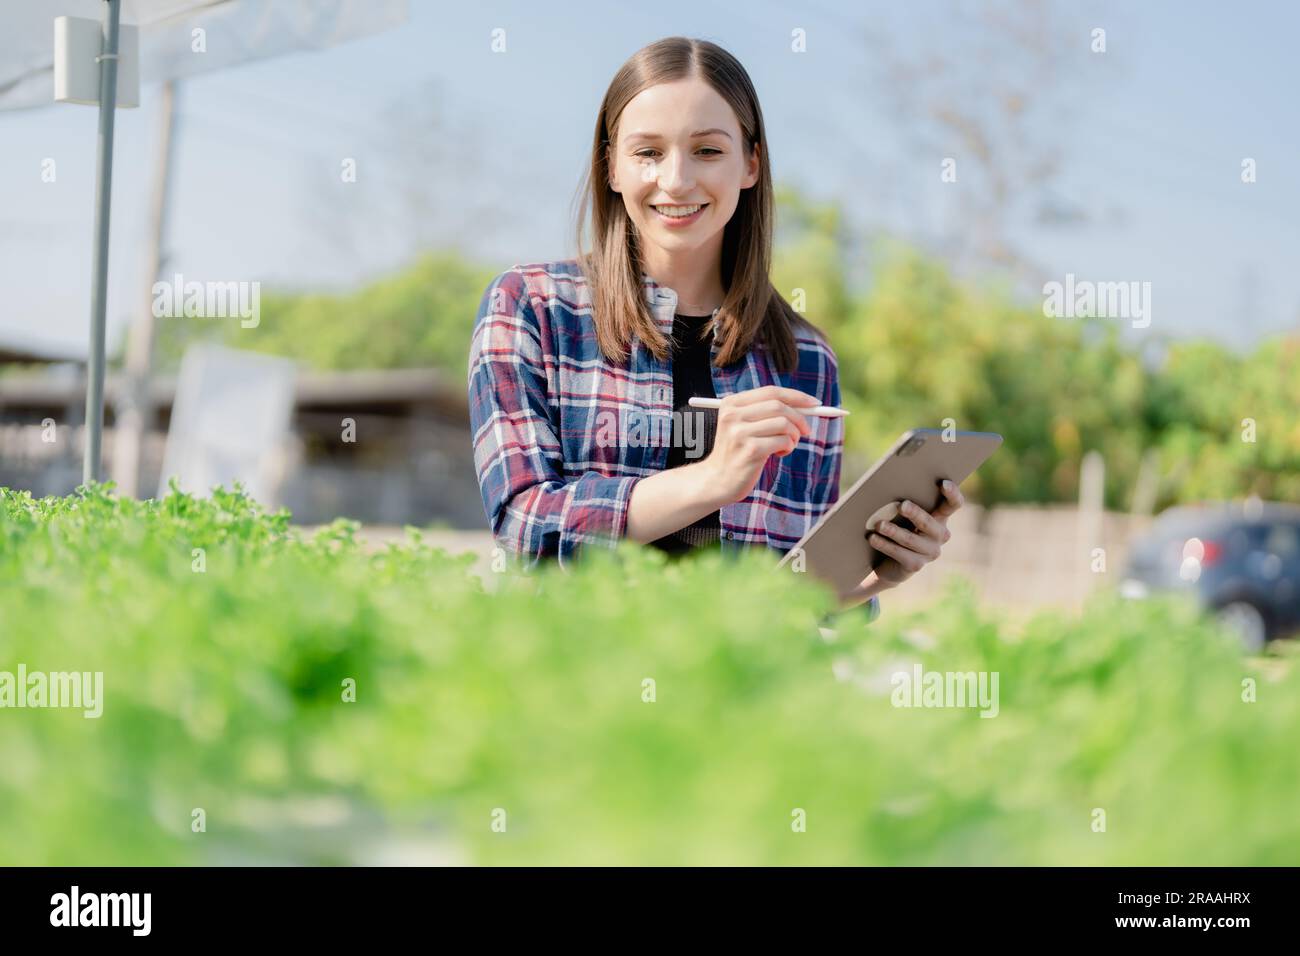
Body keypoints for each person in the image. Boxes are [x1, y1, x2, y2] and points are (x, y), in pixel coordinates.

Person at [467, 36, 964, 621]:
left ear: (750, 163)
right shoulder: (531, 308)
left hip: (740, 696)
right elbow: (525, 527)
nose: (676, 181)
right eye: (648, 152)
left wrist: (865, 578)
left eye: (707, 151)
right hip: (579, 689)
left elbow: (794, 600)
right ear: (612, 166)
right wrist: (711, 481)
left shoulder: (805, 356)